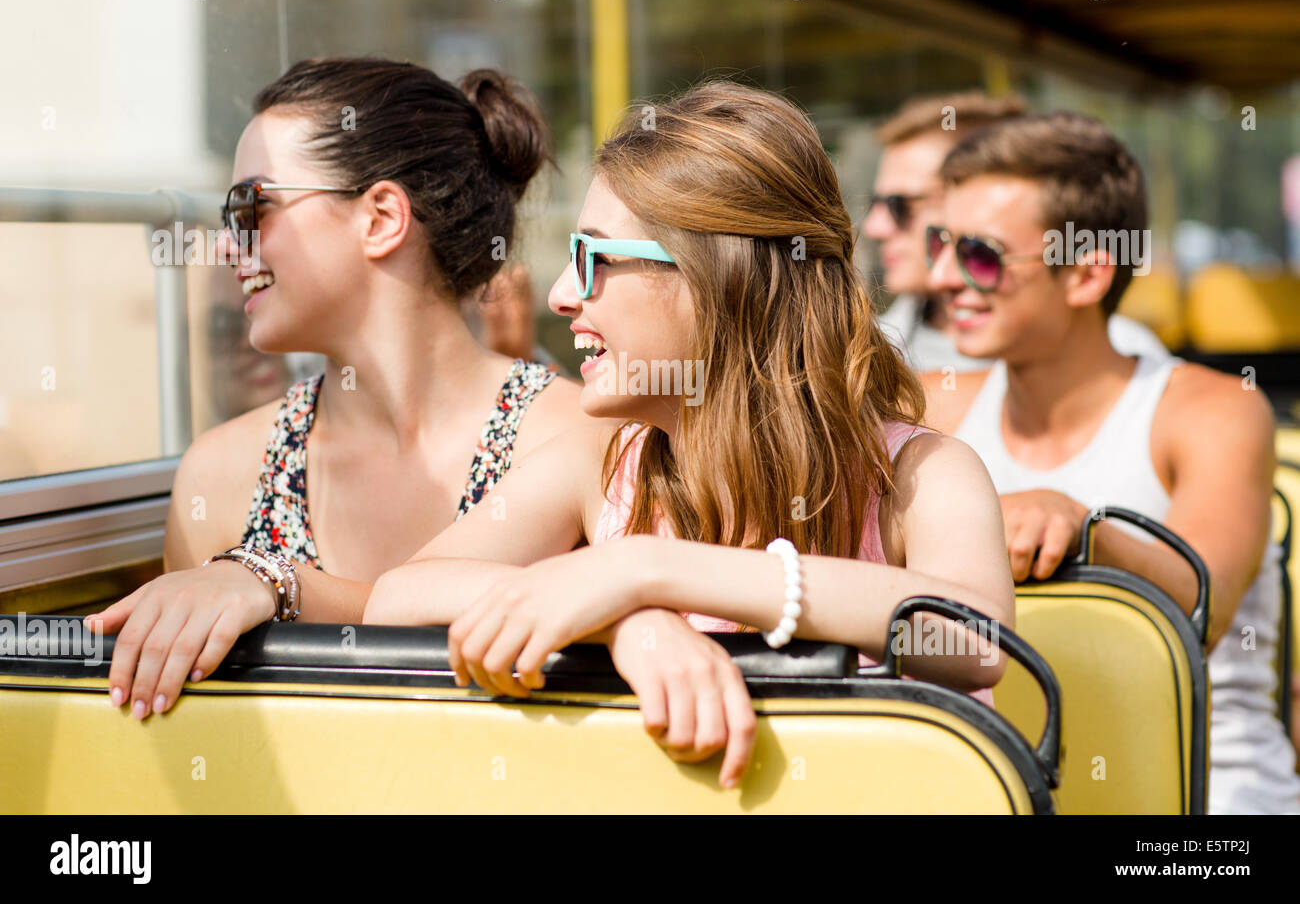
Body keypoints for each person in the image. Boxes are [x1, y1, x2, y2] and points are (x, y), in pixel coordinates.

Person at [364, 80, 1015, 790]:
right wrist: (632, 624)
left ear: (717, 276)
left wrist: (646, 570)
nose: (559, 295)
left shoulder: (923, 473)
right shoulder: (604, 461)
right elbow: (398, 596)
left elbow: (974, 640)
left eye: (595, 259)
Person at [85, 57, 590, 720]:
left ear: (381, 217)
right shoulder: (216, 476)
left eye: (252, 208)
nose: (229, 247)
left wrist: (267, 580)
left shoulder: (585, 440)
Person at [920, 111, 1300, 814]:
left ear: (1087, 274)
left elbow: (1200, 605)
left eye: (979, 254)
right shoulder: (931, 409)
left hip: (1206, 807)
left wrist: (1079, 526)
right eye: (938, 243)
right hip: (1003, 788)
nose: (941, 275)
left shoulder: (1212, 409)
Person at [863, 91, 1167, 371]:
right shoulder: (864, 357)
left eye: (899, 204)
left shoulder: (1131, 358)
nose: (874, 227)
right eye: (874, 203)